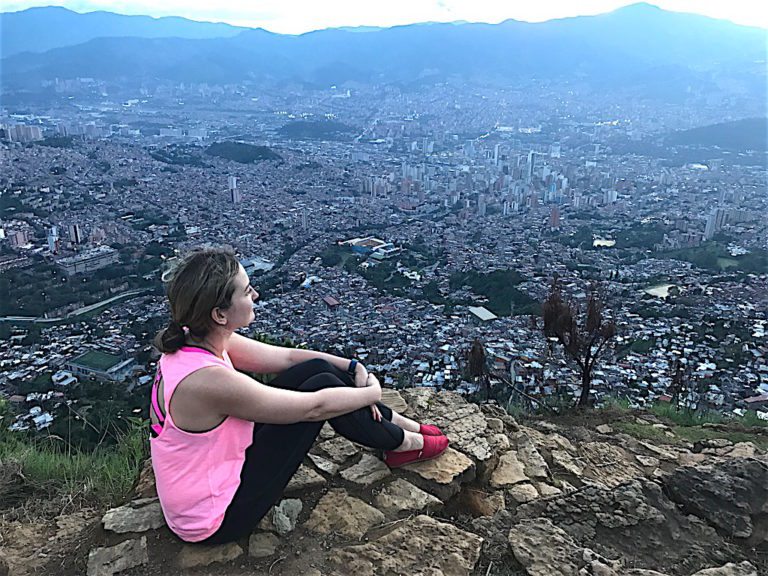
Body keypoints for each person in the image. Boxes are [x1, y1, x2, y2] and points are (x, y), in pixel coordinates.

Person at [149, 247, 449, 544]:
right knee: (324, 391)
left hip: (213, 478)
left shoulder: (197, 338)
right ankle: (405, 442)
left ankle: (397, 425)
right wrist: (372, 391)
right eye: (247, 291)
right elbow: (314, 409)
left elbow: (290, 359)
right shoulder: (207, 381)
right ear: (219, 314)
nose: (256, 296)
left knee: (318, 369)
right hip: (216, 518)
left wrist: (353, 366)